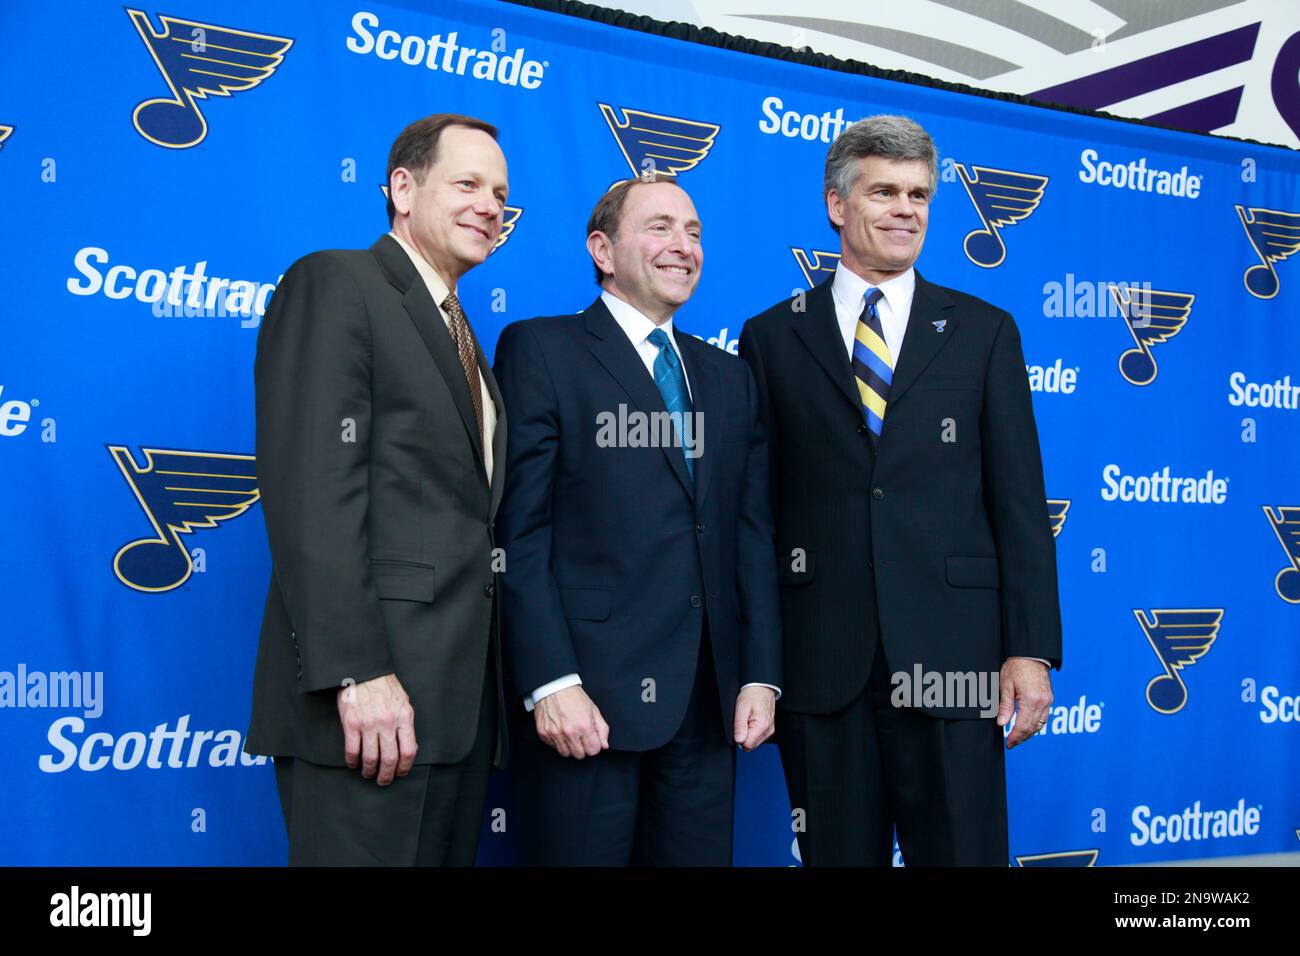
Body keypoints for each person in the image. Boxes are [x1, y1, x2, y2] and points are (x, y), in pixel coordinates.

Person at [739, 115, 1061, 866]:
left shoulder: (984, 331)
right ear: (836, 205)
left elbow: (1020, 501)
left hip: (954, 658)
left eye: (918, 194)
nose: (905, 210)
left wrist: (1031, 651)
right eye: (884, 191)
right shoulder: (772, 337)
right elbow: (756, 512)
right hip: (822, 662)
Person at [245, 113, 510, 866]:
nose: (489, 205)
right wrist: (355, 671)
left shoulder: (459, 332)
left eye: (499, 192)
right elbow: (311, 495)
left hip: (452, 714)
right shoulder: (337, 283)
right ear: (402, 188)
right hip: (366, 707)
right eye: (467, 183)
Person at [493, 175, 782, 866]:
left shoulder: (729, 377)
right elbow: (518, 534)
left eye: (694, 233)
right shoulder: (541, 351)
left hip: (708, 713)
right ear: (603, 248)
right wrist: (551, 683)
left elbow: (749, 532)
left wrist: (759, 675)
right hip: (587, 708)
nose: (682, 247)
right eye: (660, 228)